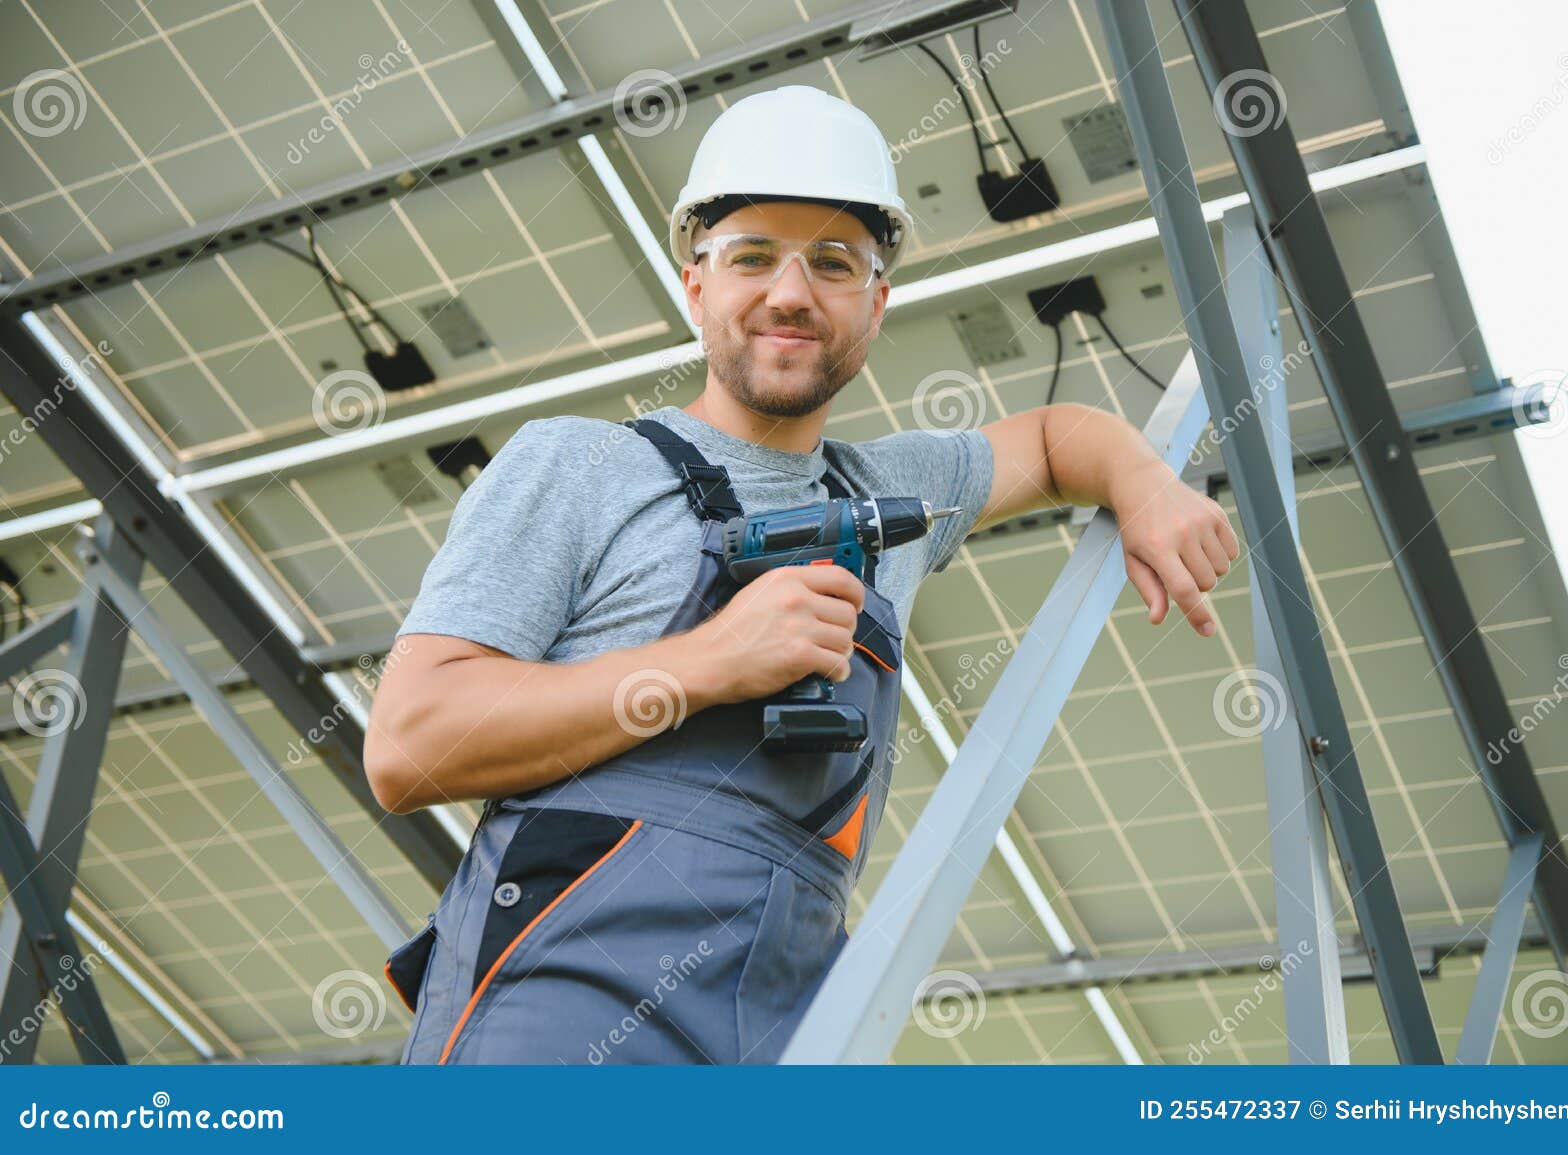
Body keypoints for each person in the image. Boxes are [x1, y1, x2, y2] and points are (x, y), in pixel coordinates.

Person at [366, 85, 1238, 1064]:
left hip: (787, 1026)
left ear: (876, 303)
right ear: (696, 287)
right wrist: (709, 664)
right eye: (751, 258)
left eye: (832, 263)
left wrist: (1143, 479)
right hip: (561, 1023)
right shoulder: (576, 465)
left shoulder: (887, 495)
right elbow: (410, 746)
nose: (790, 293)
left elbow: (1052, 434)